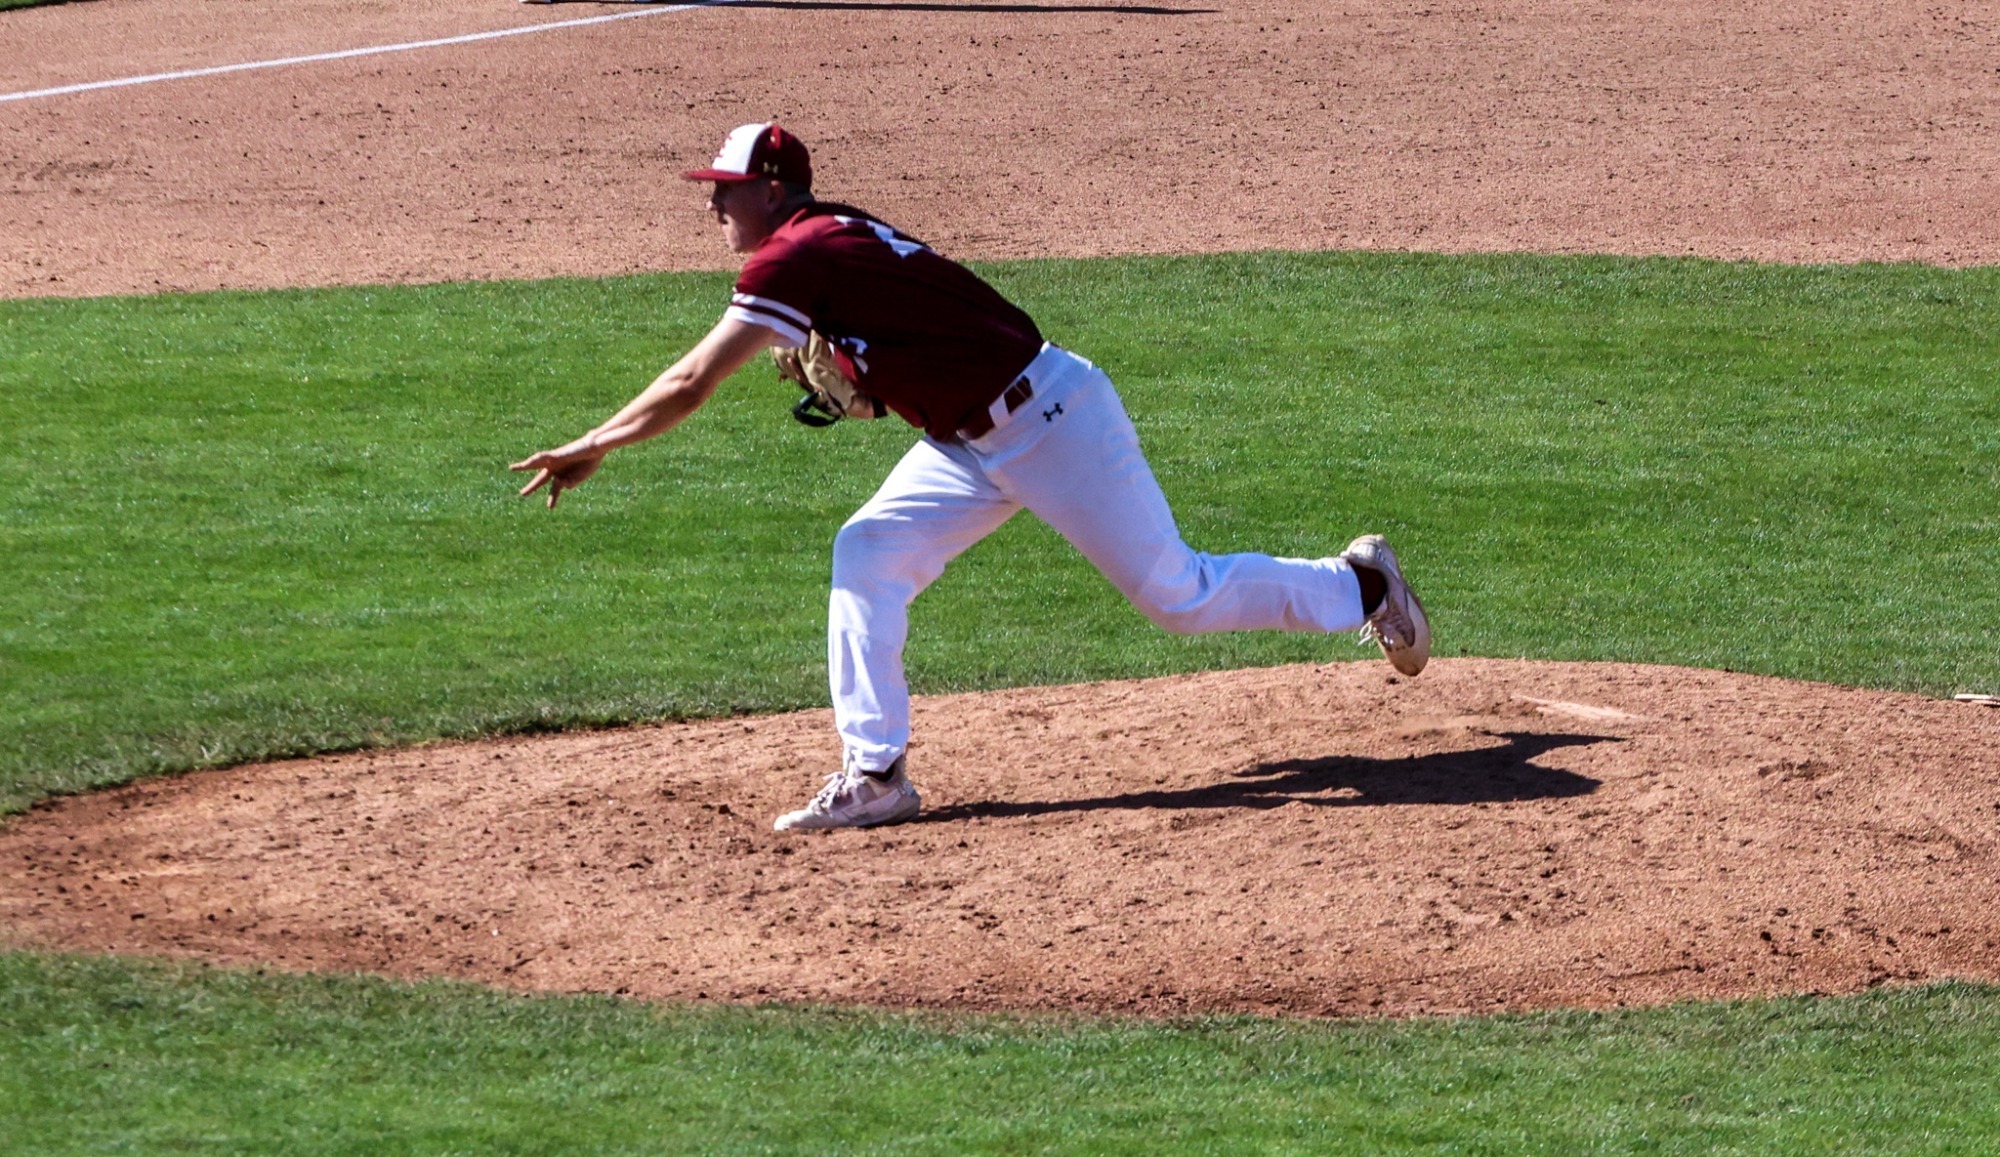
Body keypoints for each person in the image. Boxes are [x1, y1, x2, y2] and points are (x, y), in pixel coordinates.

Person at [512, 123, 1430, 833]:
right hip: (970, 439)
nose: (713, 203)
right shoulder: (831, 237)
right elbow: (914, 345)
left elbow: (692, 380)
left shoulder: (794, 252)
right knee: (868, 550)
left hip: (1052, 419)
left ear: (774, 189)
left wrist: (597, 442)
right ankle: (876, 775)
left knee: (1178, 596)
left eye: (726, 188)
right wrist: (865, 382)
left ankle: (1362, 584)